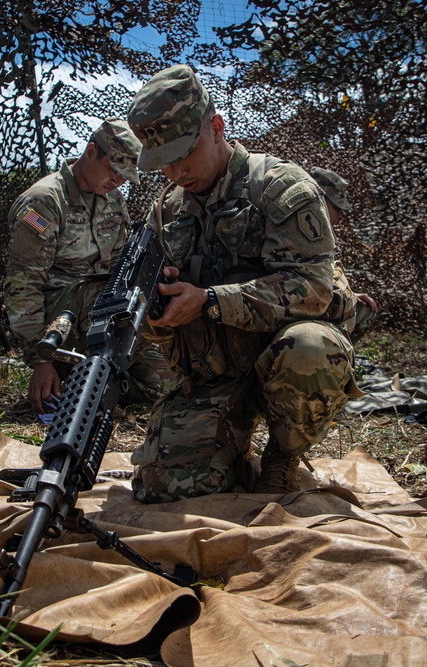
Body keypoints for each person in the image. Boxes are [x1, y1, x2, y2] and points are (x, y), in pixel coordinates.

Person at [126, 65, 363, 502]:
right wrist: (158, 313)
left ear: (216, 127)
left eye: (185, 152)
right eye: (164, 163)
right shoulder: (165, 213)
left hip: (282, 364)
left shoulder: (280, 187)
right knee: (169, 488)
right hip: (215, 375)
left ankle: (281, 458)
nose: (177, 172)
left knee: (310, 349)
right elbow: (150, 323)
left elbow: (313, 286)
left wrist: (210, 300)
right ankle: (227, 448)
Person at [4, 117, 169, 415]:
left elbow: (121, 264)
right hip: (61, 326)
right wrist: (41, 359)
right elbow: (23, 284)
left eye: (124, 175)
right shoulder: (43, 203)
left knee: (161, 387)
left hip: (104, 319)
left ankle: (98, 377)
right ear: (91, 151)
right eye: (114, 170)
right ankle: (68, 371)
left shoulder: (113, 200)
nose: (118, 181)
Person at [308, 167, 379, 343]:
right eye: (336, 207)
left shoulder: (322, 232)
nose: (340, 214)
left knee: (364, 309)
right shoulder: (302, 231)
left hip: (319, 301)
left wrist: (348, 295)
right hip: (301, 307)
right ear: (321, 201)